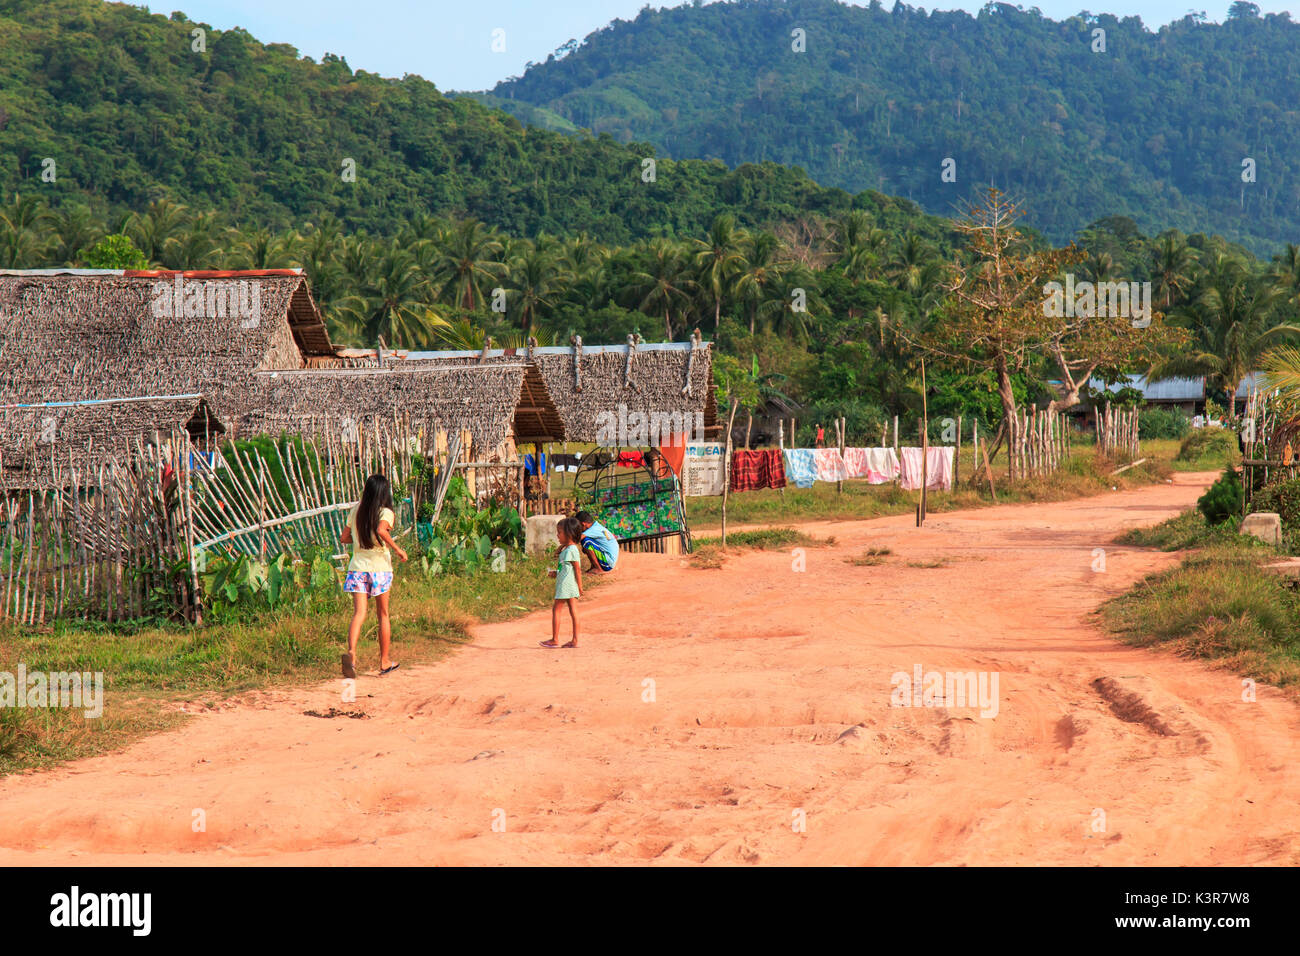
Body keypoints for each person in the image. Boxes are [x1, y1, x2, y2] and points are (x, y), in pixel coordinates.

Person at [340, 474, 408, 678]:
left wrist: (361, 539)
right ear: (384, 492)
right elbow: (381, 530)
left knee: (359, 614)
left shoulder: (356, 510)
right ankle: (384, 661)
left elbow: (344, 538)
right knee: (383, 615)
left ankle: (351, 653)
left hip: (357, 567)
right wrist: (397, 549)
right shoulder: (386, 512)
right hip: (379, 568)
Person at [541, 516, 582, 648]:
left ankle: (555, 639)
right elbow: (566, 569)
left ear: (568, 534)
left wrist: (580, 587)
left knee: (557, 609)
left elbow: (578, 569)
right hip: (569, 584)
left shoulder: (571, 550)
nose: (557, 535)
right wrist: (556, 573)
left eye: (560, 532)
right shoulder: (569, 549)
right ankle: (574, 640)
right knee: (573, 611)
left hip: (565, 585)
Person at [575, 510, 619, 574]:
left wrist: (561, 547)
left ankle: (598, 568)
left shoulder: (593, 529)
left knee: (586, 541)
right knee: (586, 543)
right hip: (609, 560)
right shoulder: (596, 526)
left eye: (578, 526)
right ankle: (594, 567)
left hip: (608, 563)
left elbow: (576, 540)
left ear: (583, 524)